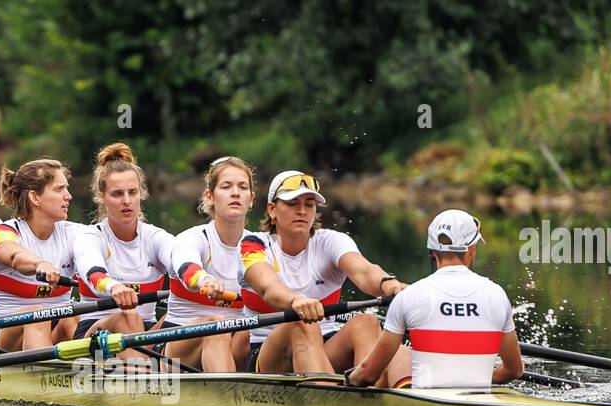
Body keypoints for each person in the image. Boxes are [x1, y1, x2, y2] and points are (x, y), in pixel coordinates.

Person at [240, 170, 407, 376]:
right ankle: (332, 395)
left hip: (325, 342)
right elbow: (268, 288)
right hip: (269, 353)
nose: (302, 211)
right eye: (292, 204)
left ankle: (366, 392)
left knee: (367, 322)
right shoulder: (253, 244)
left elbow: (364, 271)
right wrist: (295, 300)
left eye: (309, 204)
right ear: (272, 210)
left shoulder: (331, 241)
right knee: (301, 324)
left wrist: (388, 284)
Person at [348, 209, 521, 389]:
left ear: (432, 251)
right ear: (471, 249)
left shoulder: (410, 296)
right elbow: (514, 370)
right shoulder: (497, 295)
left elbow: (368, 374)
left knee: (401, 352)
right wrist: (476, 376)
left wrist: (349, 381)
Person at [71, 142, 174, 361]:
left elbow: (182, 259)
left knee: (190, 315)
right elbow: (94, 273)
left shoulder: (156, 237)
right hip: (95, 333)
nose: (126, 201)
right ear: (101, 197)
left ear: (141, 194)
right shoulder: (90, 237)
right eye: (117, 194)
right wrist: (114, 287)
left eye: (132, 192)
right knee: (128, 317)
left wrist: (201, 279)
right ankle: (147, 380)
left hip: (147, 332)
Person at [165, 156, 254, 372]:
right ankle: (228, 401)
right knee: (217, 324)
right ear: (210, 196)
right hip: (181, 343)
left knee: (257, 329)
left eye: (243, 187)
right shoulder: (192, 239)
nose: (235, 193)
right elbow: (187, 268)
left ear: (251, 199)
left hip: (237, 340)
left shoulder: (260, 246)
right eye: (226, 186)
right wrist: (204, 279)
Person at [0, 158, 82, 351]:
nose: (69, 196)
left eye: (67, 188)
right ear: (35, 197)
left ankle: (99, 370)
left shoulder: (75, 233)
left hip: (53, 333)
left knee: (73, 315)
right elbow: (12, 255)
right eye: (59, 189)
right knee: (38, 314)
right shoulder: (5, 231)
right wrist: (39, 264)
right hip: (5, 341)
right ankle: (43, 376)